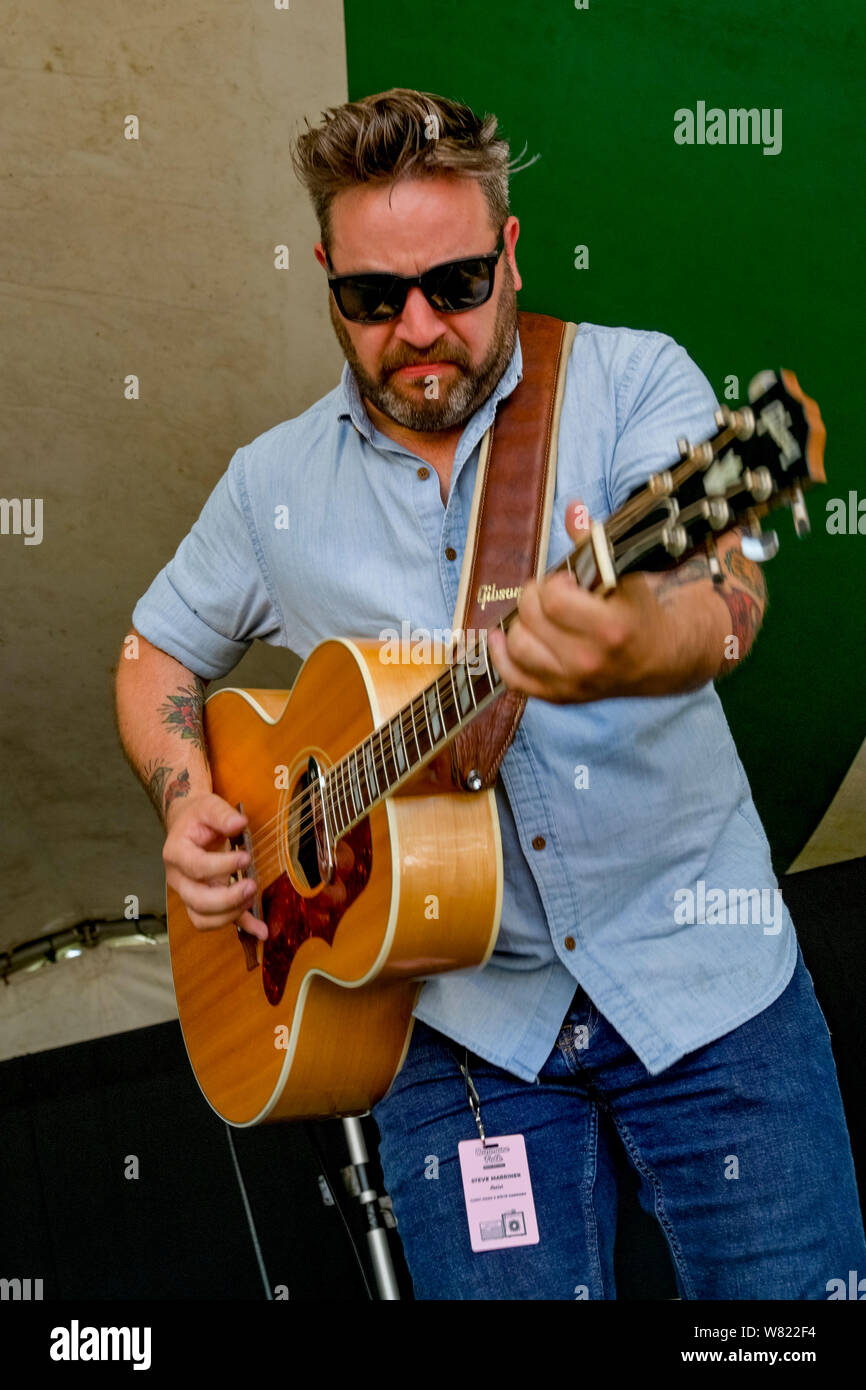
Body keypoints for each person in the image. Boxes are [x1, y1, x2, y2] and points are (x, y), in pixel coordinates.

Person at [114, 87, 865, 1300]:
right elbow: (153, 652)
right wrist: (184, 791)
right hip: (454, 1029)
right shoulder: (270, 487)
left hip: (702, 983)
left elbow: (718, 600)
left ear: (508, 252)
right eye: (373, 298)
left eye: (456, 283)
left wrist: (632, 645)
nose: (418, 327)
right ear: (324, 277)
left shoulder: (631, 381)